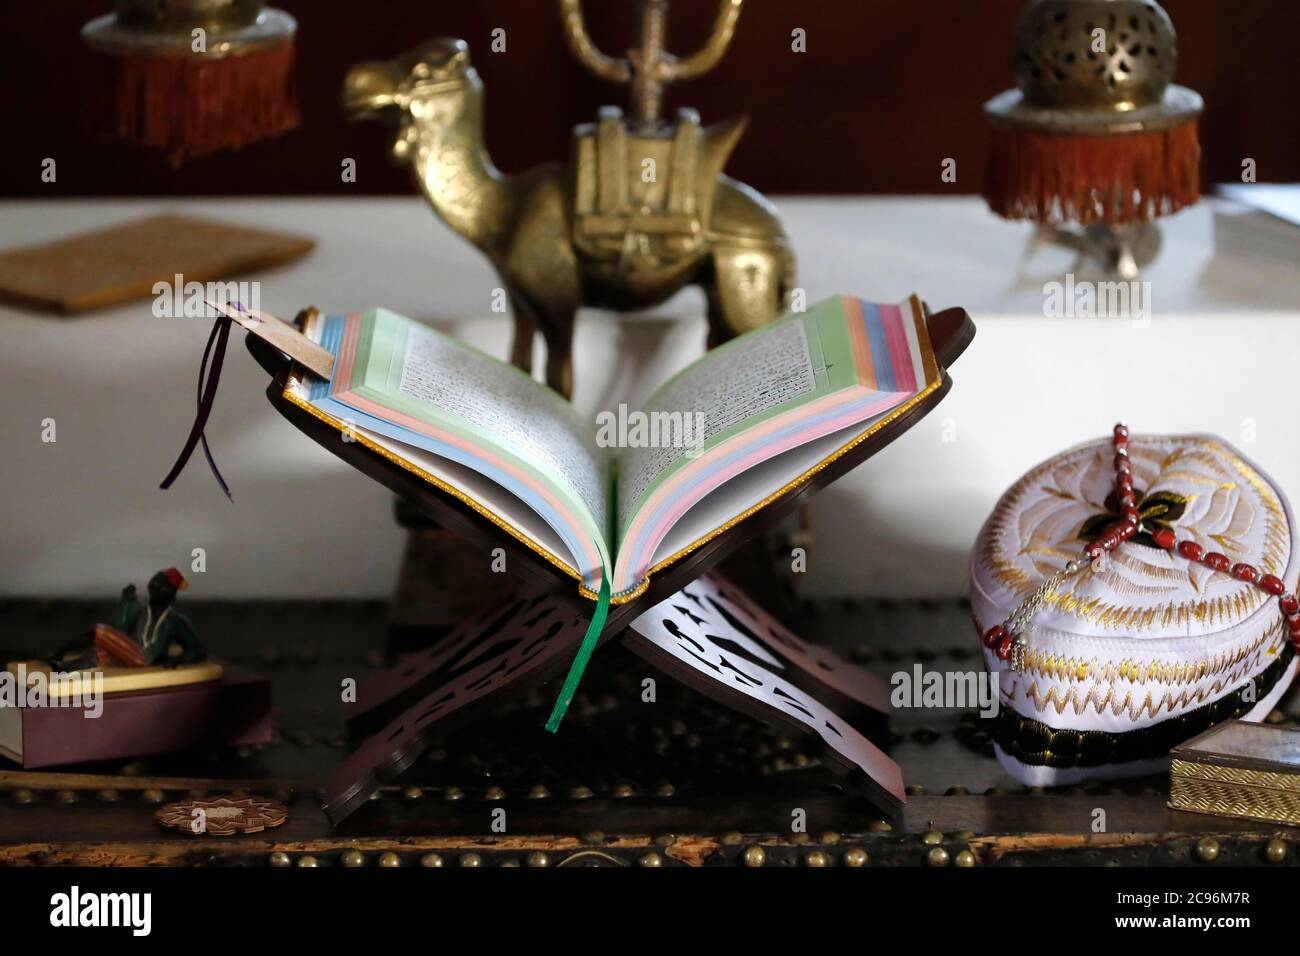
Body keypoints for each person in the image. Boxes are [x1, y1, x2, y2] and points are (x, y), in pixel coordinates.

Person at [55, 568, 205, 670]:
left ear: (172, 595)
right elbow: (118, 627)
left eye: (162, 590)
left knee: (99, 631)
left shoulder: (175, 621)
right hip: (130, 653)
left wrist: (178, 659)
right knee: (100, 653)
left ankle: (59, 652)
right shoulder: (141, 610)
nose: (155, 593)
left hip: (145, 659)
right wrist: (125, 603)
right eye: (154, 588)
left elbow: (198, 650)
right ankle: (64, 668)